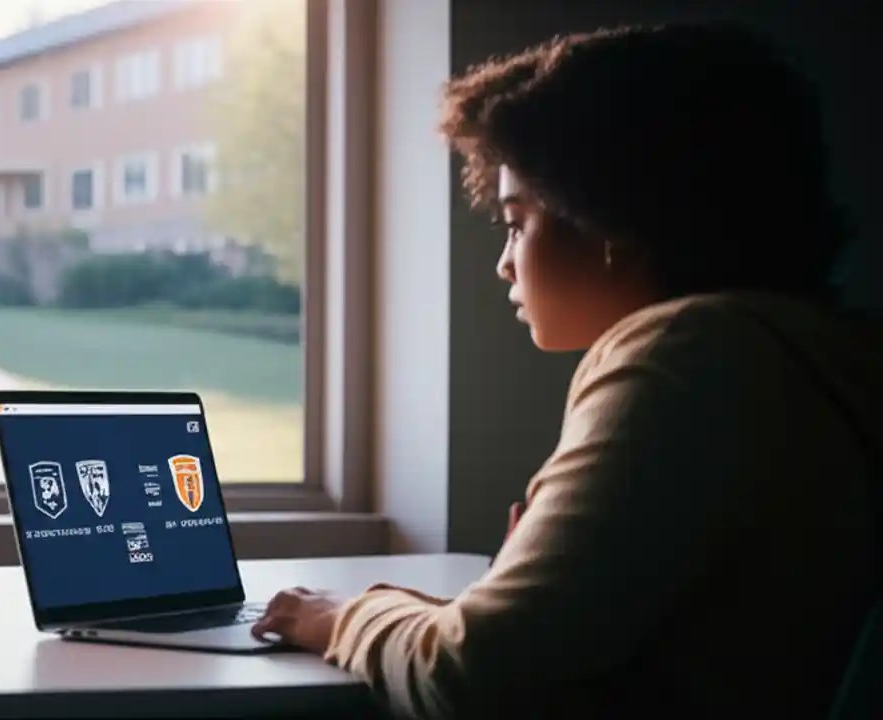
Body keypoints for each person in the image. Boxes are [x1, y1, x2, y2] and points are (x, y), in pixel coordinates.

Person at [251, 22, 881, 718]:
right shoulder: (810, 351)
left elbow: (469, 675)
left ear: (608, 215)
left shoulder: (686, 354)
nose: (504, 260)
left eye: (518, 221)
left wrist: (343, 620)